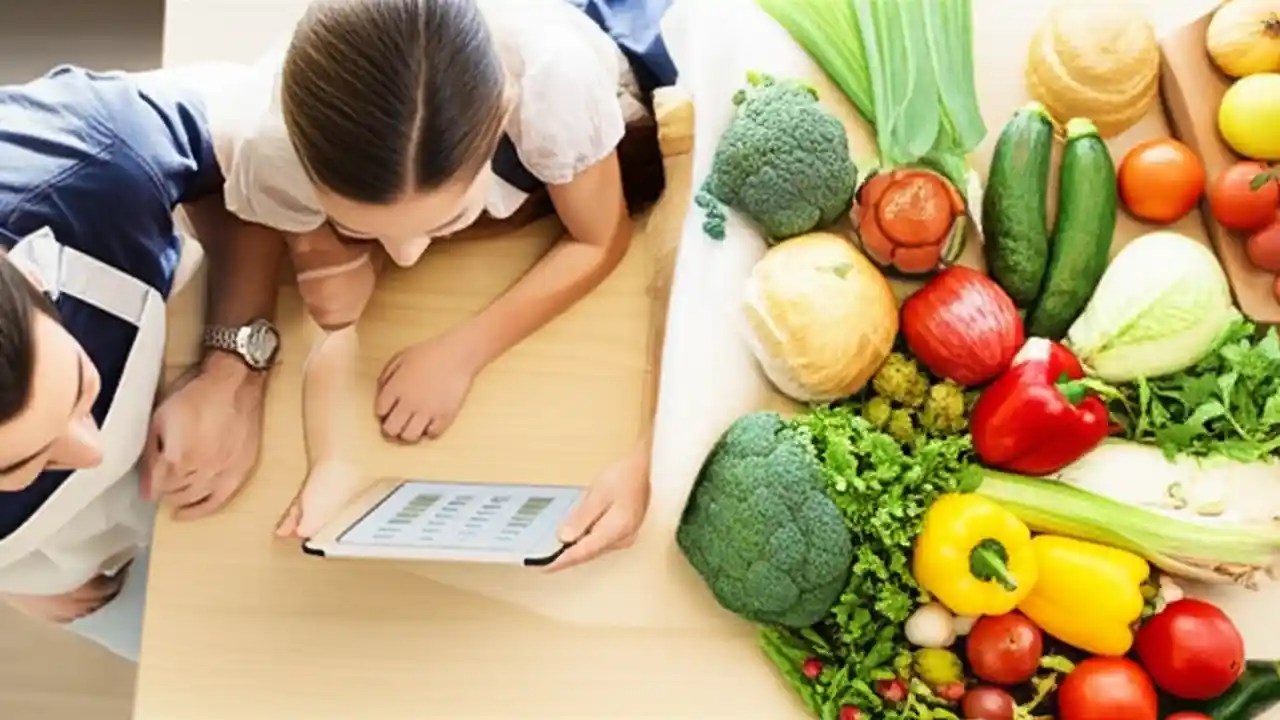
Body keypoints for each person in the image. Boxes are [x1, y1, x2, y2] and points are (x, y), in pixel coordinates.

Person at [201, 0, 676, 570]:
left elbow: (600, 238)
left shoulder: (553, 80)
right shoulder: (266, 139)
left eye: (443, 222)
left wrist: (464, 351)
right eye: (364, 227)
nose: (407, 255)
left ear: (503, 112)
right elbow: (327, 326)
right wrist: (331, 463)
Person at [0, 65, 285, 661]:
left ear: (30, 272)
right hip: (65, 580)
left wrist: (233, 371)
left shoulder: (88, 160)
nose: (91, 451)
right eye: (24, 462)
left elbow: (243, 149)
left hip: (207, 421)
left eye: (79, 385)